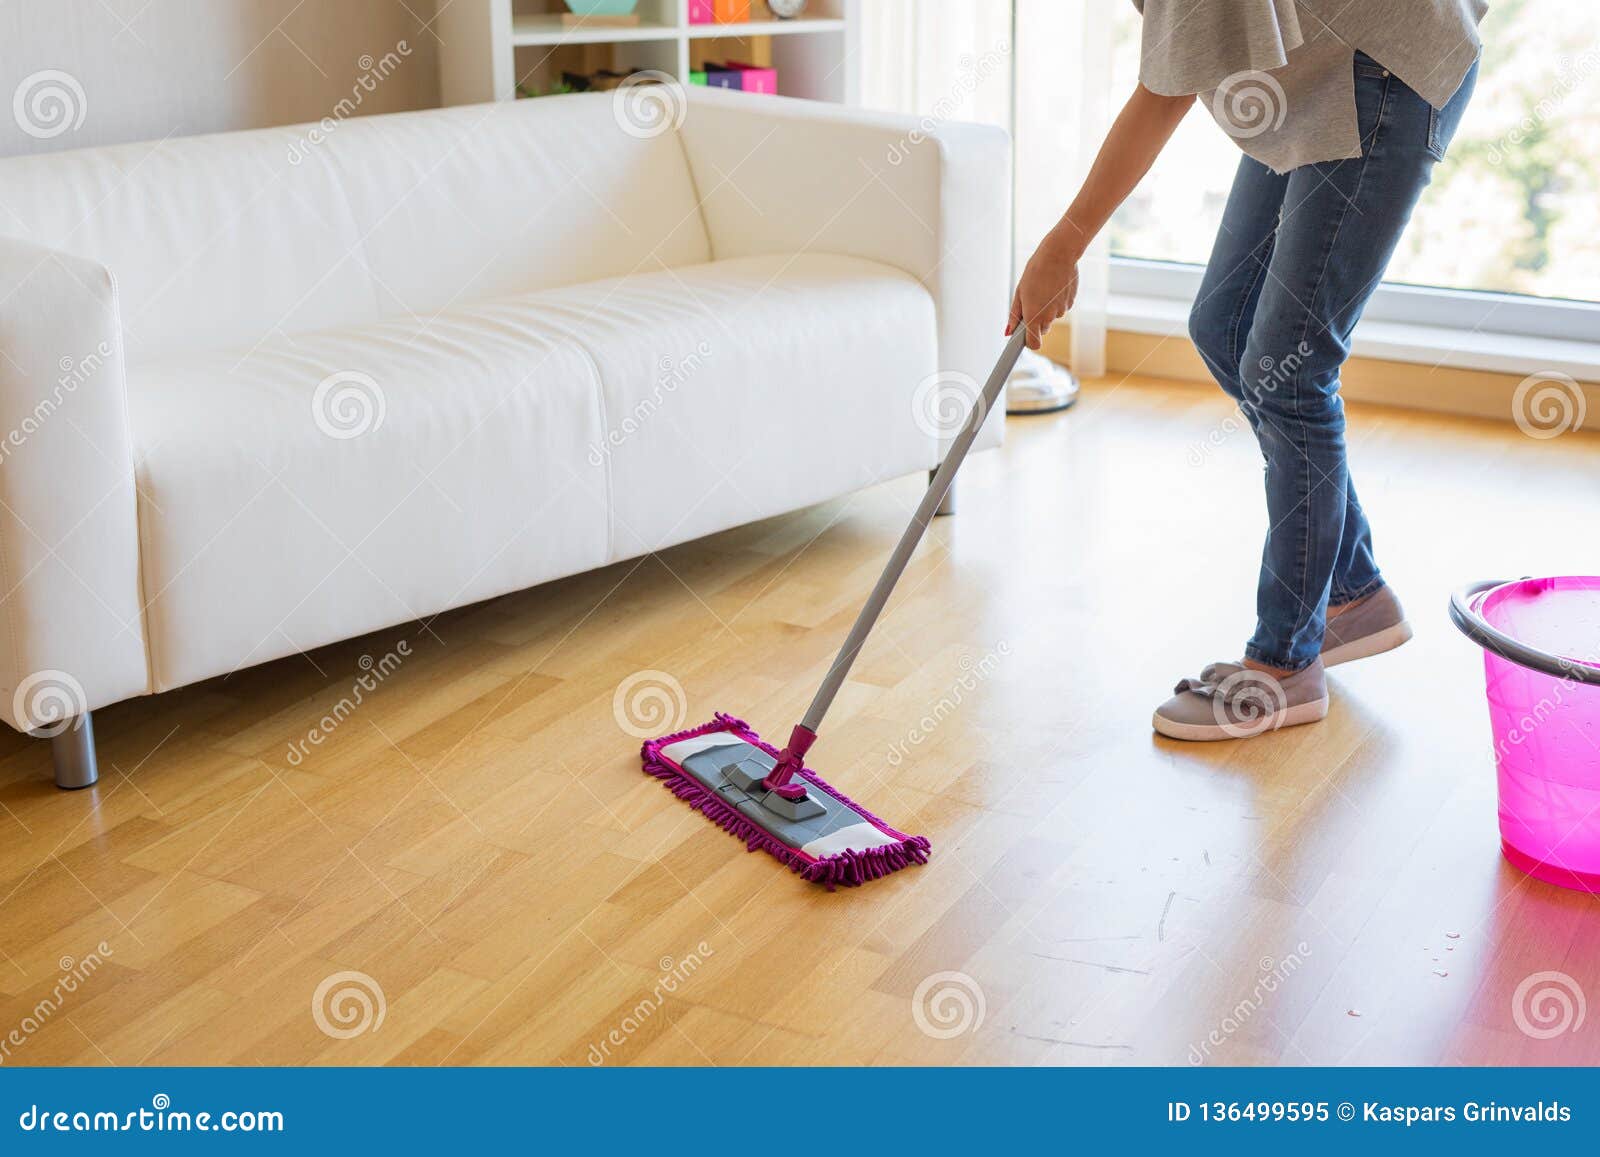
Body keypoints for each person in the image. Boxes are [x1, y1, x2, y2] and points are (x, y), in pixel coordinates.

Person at [1008, 0, 1486, 741]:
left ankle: (1285, 665)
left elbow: (1165, 92)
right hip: (1313, 70)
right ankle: (1353, 595)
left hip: (1384, 67)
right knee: (1227, 326)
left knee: (1289, 367)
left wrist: (1064, 242)